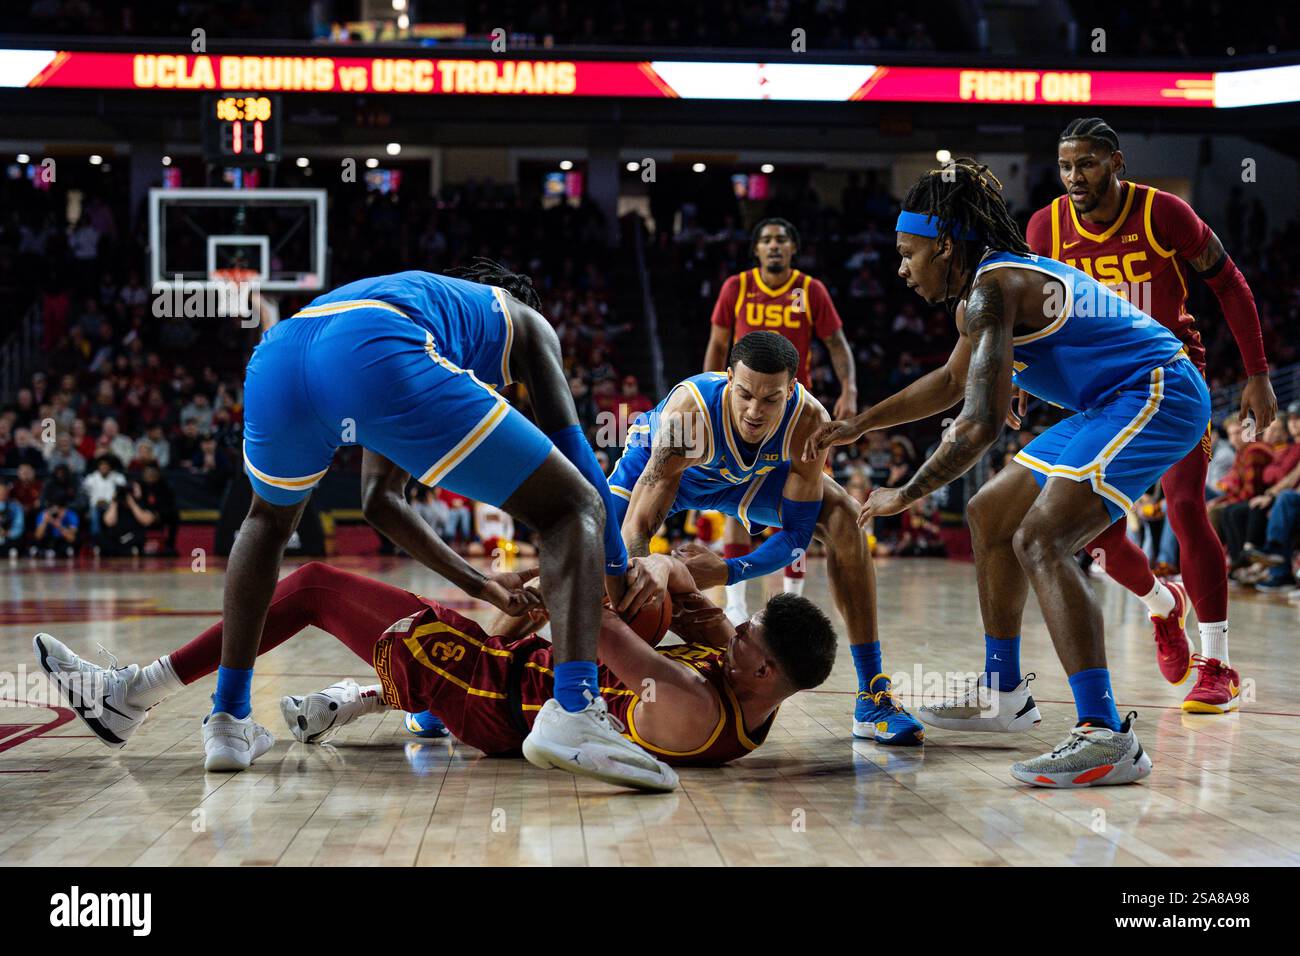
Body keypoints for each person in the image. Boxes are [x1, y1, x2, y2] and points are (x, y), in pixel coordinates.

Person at [808, 159, 1211, 786]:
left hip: (1159, 389)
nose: (901, 268)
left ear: (944, 243)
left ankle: (1106, 736)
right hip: (1109, 401)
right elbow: (949, 382)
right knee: (990, 511)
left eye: (907, 253)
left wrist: (906, 494)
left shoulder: (992, 288)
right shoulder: (984, 291)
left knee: (1040, 536)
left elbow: (978, 424)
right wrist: (860, 425)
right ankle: (1003, 693)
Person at [218, 262, 673, 790]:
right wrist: (616, 568)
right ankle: (573, 709)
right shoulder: (524, 320)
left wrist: (481, 585)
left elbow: (381, 500)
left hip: (279, 354)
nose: (501, 385)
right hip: (371, 348)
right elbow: (580, 468)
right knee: (572, 509)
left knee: (266, 522)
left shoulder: (423, 308)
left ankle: (228, 719)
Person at [33, 557, 836, 768]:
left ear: (763, 673)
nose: (731, 632)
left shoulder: (692, 704)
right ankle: (357, 699)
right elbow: (683, 578)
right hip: (514, 669)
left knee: (311, 584)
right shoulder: (741, 693)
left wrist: (554, 571)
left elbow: (583, 617)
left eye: (745, 637)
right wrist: (659, 573)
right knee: (644, 588)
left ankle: (129, 696)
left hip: (493, 695)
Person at [1025, 117, 1276, 713]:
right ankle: (1163, 604)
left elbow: (1231, 285)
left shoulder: (1164, 214)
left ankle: (1217, 664)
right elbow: (1029, 310)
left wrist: (1258, 373)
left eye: (1086, 163)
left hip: (1173, 379)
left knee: (1187, 505)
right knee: (1087, 529)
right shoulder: (1045, 227)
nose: (1074, 177)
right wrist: (1016, 374)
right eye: (1065, 166)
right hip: (1100, 389)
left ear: (1116, 163)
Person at [611, 330, 921, 745]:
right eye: (744, 395)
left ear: (791, 389)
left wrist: (728, 570)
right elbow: (638, 528)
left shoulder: (808, 420)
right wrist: (642, 574)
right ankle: (532, 664)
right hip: (663, 470)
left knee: (843, 516)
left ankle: (872, 694)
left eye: (771, 399)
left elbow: (797, 534)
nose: (755, 411)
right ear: (727, 380)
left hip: (744, 482)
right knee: (591, 552)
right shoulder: (692, 413)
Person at [703, 218, 858, 618]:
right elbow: (718, 345)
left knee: (798, 503)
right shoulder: (735, 287)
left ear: (793, 248)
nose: (774, 246)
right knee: (735, 500)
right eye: (767, 240)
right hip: (743, 413)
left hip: (794, 416)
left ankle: (793, 596)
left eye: (782, 240)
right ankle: (735, 604)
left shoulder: (811, 290)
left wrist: (849, 388)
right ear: (756, 249)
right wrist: (707, 397)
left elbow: (837, 343)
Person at [0, 482, 25, 556]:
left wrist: (8, 533)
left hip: (9, 538)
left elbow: (19, 525)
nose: (2, 493)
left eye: (4, 491)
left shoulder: (15, 506)